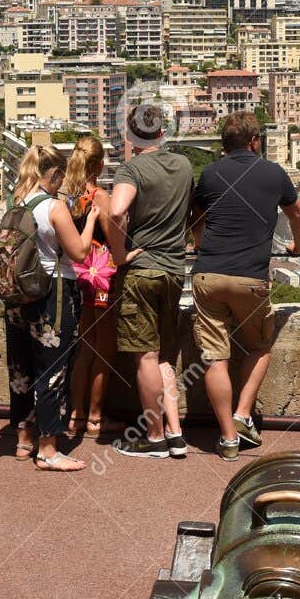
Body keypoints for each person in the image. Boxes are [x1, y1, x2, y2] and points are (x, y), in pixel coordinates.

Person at [189, 112, 300, 460]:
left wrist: (199, 243)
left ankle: (227, 438)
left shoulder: (210, 173)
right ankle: (243, 415)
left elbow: (195, 217)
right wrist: (299, 248)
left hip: (207, 273)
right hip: (250, 277)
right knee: (259, 346)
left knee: (214, 358)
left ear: (225, 145)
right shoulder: (273, 173)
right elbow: (297, 213)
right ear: (255, 141)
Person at [4, 146, 101, 472]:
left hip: (18, 296)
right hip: (52, 295)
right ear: (56, 173)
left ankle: (23, 438)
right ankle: (48, 449)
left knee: (22, 368)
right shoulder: (54, 206)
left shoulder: (17, 201)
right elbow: (78, 252)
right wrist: (90, 222)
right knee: (53, 370)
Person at [108, 103, 194, 460]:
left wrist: (118, 254)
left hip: (143, 269)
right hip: (175, 269)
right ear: (163, 132)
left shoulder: (132, 169)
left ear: (129, 135)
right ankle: (175, 434)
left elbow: (115, 211)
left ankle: (154, 437)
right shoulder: (185, 166)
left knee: (145, 354)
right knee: (163, 357)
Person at [65, 135, 117, 439]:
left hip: (76, 276)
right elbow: (113, 235)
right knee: (105, 347)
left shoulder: (65, 196)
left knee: (84, 348)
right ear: (99, 164)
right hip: (100, 277)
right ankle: (95, 418)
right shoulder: (98, 196)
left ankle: (76, 413)